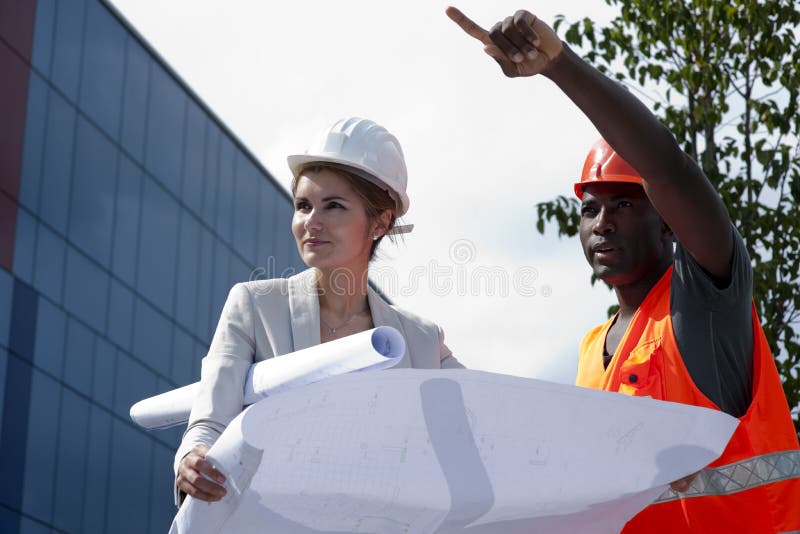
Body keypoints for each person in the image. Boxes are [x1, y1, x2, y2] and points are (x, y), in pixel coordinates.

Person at [448, 7, 800, 533]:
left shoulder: (702, 307)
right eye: (590, 209)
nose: (603, 224)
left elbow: (668, 167)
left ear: (668, 223)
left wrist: (560, 65)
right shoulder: (593, 350)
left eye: (625, 205)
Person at [174, 117, 462, 505]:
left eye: (334, 206)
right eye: (303, 205)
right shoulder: (255, 307)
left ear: (380, 222)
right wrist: (193, 457)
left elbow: (489, 423)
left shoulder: (423, 342)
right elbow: (211, 415)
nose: (312, 222)